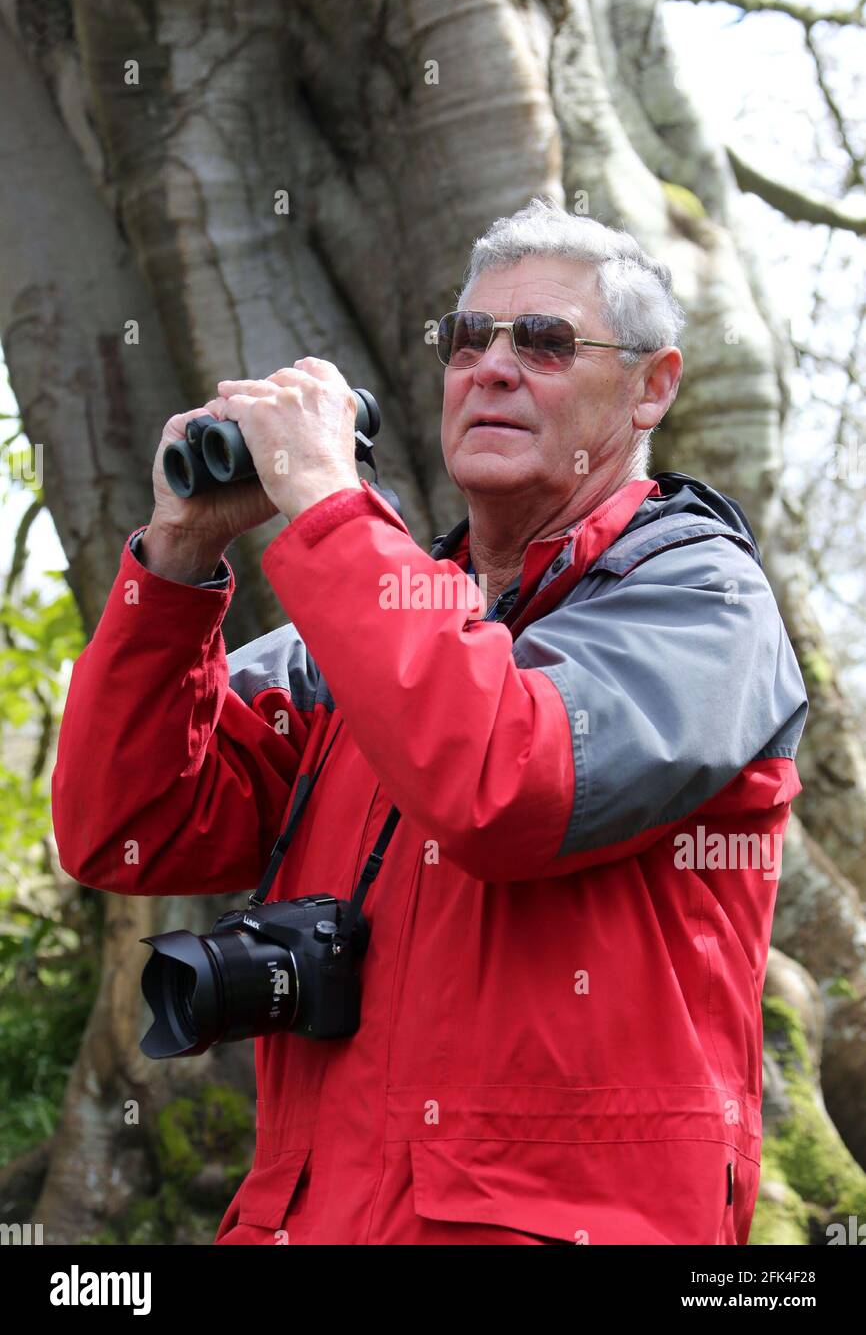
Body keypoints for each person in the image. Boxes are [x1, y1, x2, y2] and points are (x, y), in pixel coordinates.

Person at [52, 196, 808, 1245]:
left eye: (543, 341)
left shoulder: (699, 599)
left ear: (651, 387)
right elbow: (127, 822)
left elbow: (504, 783)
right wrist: (175, 563)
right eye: (468, 340)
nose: (491, 367)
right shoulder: (363, 634)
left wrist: (324, 501)